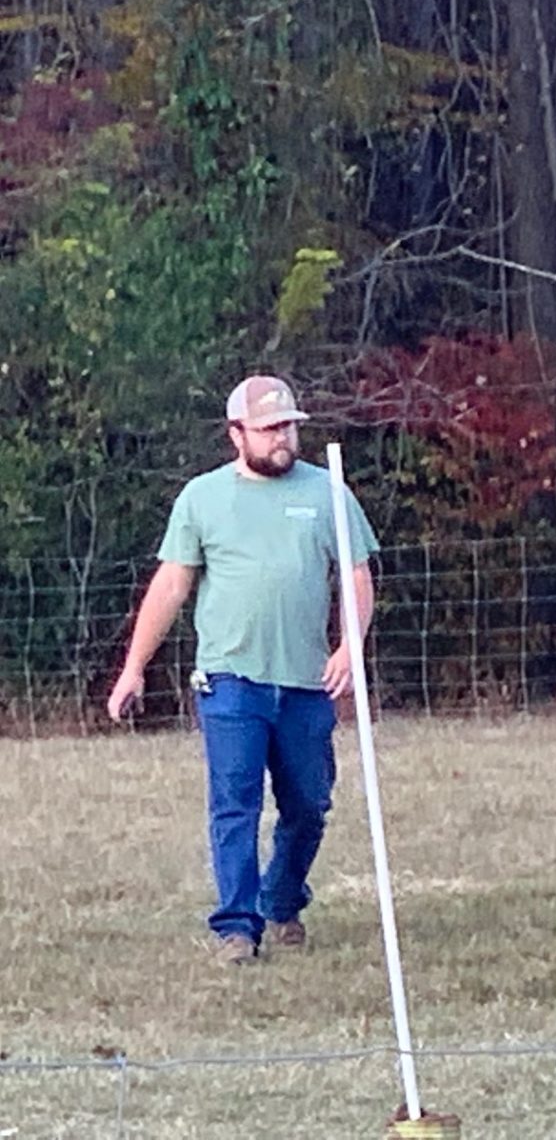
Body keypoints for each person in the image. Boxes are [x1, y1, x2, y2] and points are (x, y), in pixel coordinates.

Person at [107, 375, 378, 966]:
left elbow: (357, 576)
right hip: (230, 680)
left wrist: (347, 645)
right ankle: (237, 926)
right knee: (236, 802)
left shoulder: (328, 492)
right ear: (236, 435)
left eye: (290, 427)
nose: (284, 439)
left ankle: (281, 899)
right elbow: (172, 584)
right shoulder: (202, 499)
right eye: (269, 429)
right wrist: (134, 668)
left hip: (308, 681)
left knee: (309, 803)